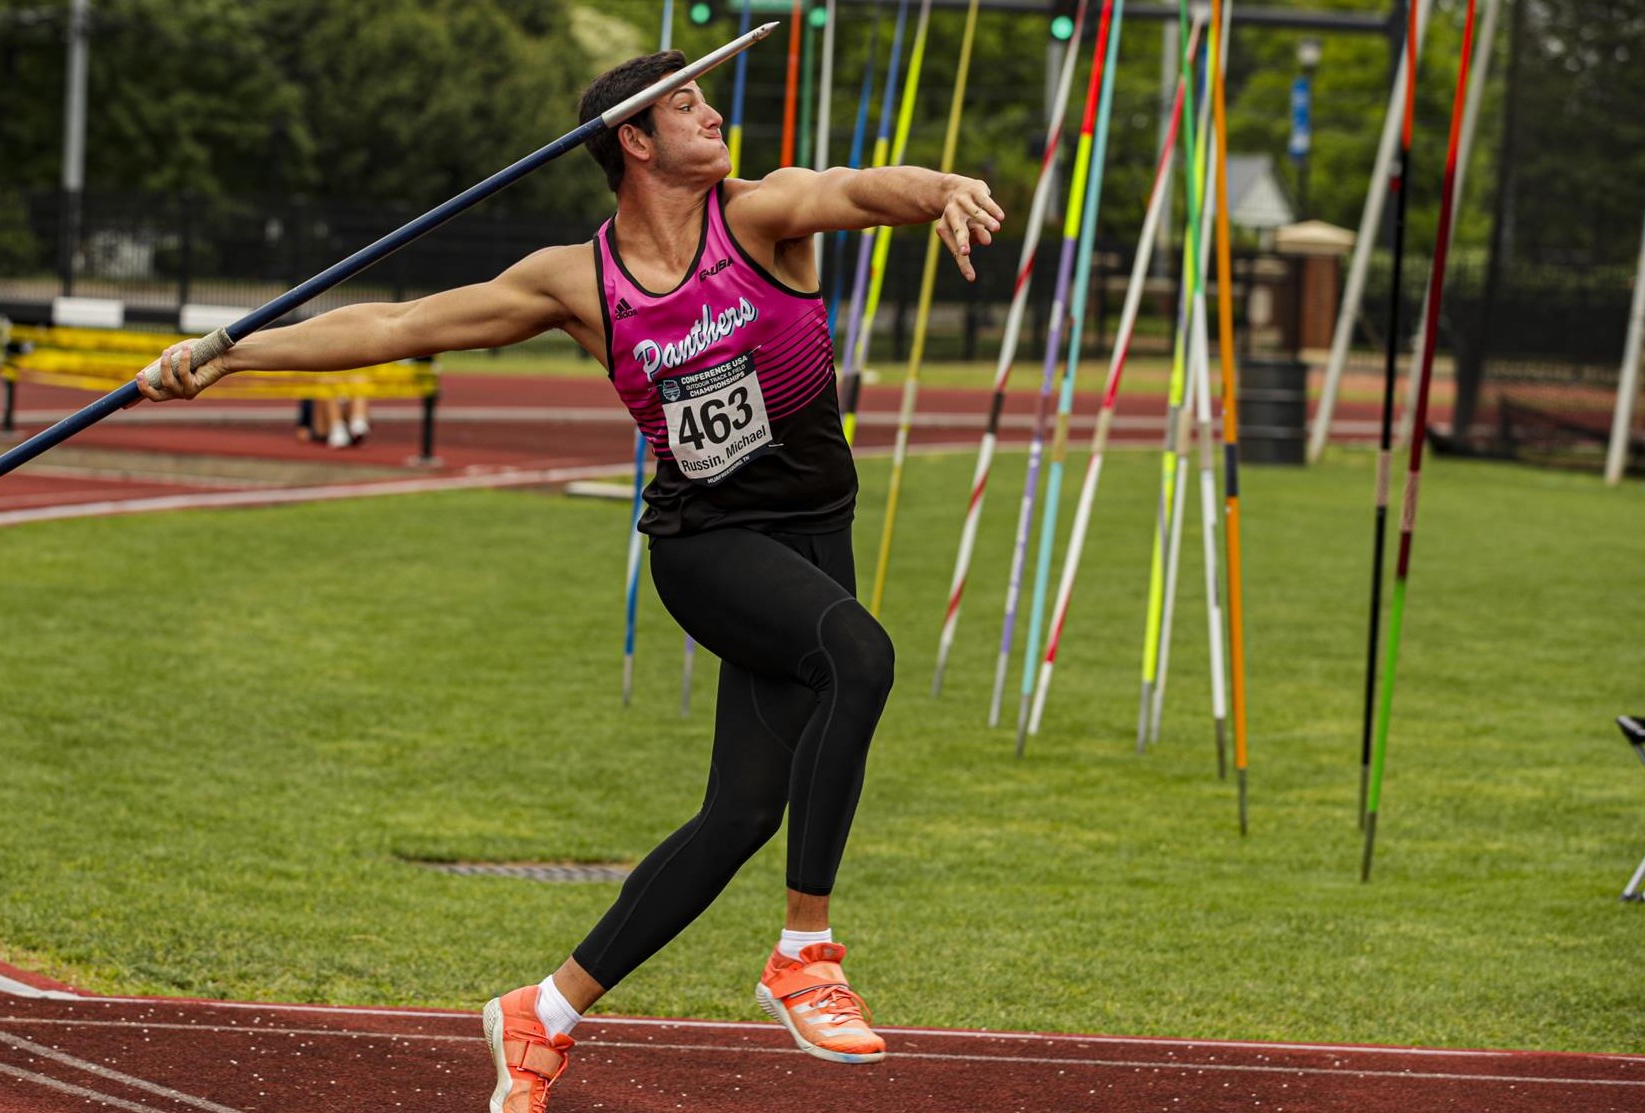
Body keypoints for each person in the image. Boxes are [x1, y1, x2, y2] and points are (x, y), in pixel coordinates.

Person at [137, 50, 1003, 1113]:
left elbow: (861, 190)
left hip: (814, 538)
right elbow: (399, 326)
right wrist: (230, 356)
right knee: (859, 656)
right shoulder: (575, 281)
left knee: (740, 812)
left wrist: (942, 189)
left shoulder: (761, 216)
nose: (713, 115)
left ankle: (541, 1013)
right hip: (707, 544)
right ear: (633, 141)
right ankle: (804, 955)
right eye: (684, 105)